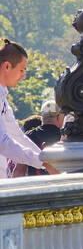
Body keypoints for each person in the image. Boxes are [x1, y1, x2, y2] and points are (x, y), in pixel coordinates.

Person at [0, 39, 56, 178]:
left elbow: (17, 136)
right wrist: (43, 162)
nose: (24, 75)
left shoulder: (3, 99)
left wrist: (44, 160)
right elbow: (3, 142)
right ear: (7, 66)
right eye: (22, 70)